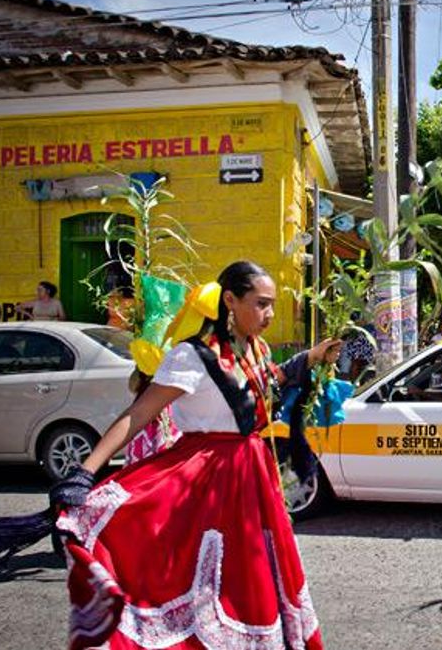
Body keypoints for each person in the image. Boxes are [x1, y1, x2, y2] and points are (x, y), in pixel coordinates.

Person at [49, 261, 334, 649]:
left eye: (272, 305)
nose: (269, 315)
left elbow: (266, 383)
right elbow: (138, 414)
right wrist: (85, 471)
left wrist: (312, 358)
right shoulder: (192, 356)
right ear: (230, 300)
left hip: (252, 476)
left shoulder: (255, 348)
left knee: (253, 576)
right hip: (206, 478)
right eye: (261, 304)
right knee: (204, 578)